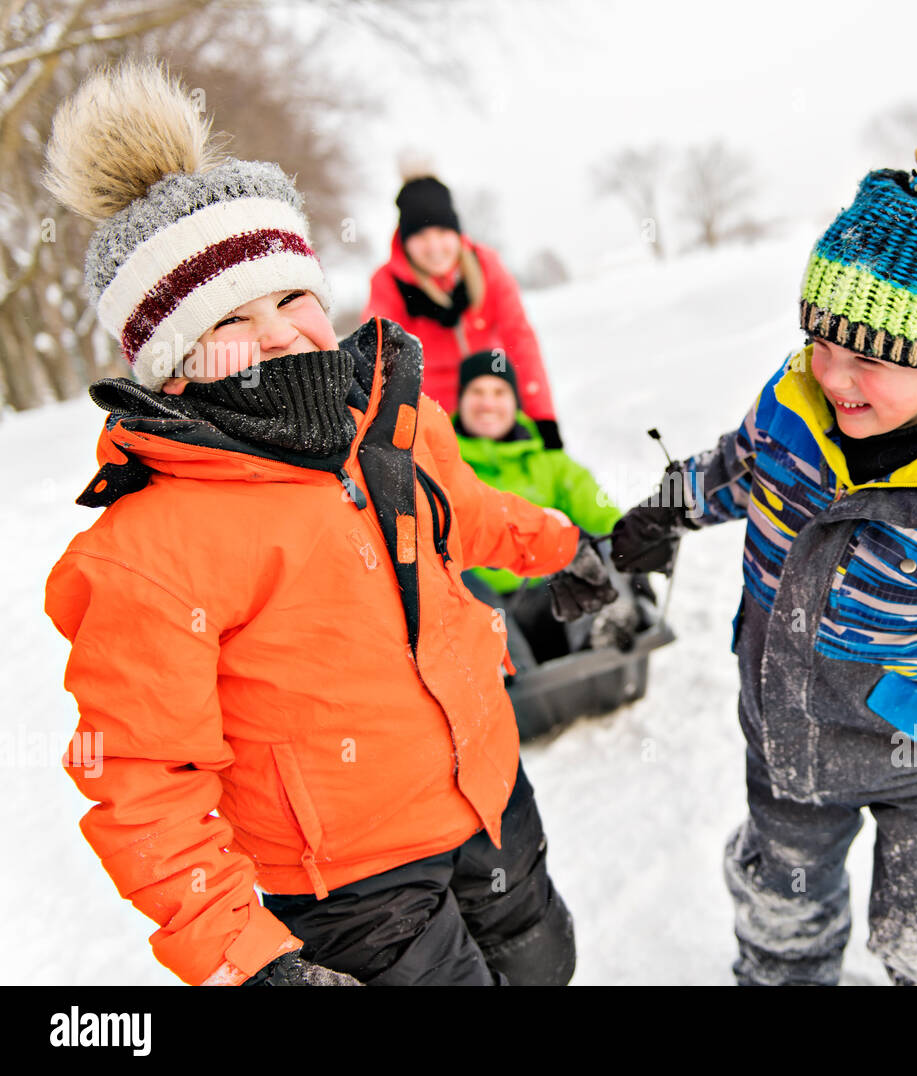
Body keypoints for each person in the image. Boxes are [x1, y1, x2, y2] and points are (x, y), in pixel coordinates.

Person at [41, 60, 612, 987]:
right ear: (173, 360)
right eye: (230, 317)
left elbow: (467, 517)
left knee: (544, 960)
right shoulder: (152, 547)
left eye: (290, 296)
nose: (279, 331)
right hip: (353, 881)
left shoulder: (389, 424)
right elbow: (141, 779)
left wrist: (564, 546)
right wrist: (248, 957)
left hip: (492, 793)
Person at [604, 124, 917, 986]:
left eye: (867, 358)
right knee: (781, 909)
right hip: (786, 734)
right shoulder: (796, 412)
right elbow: (733, 465)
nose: (833, 376)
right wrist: (659, 512)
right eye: (822, 342)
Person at [451, 349, 640, 676]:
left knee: (596, 546)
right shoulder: (446, 466)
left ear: (515, 402)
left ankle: (603, 637)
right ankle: (507, 675)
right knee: (458, 581)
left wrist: (635, 541)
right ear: (461, 402)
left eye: (499, 392)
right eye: (477, 393)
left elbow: (603, 517)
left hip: (554, 595)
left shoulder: (549, 464)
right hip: (485, 605)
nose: (488, 403)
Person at [362, 171, 565, 450]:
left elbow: (519, 339)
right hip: (435, 420)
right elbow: (379, 361)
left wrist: (543, 418)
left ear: (457, 233)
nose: (434, 247)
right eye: (421, 235)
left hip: (492, 404)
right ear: (405, 241)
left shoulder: (486, 266)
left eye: (443, 233)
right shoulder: (389, 284)